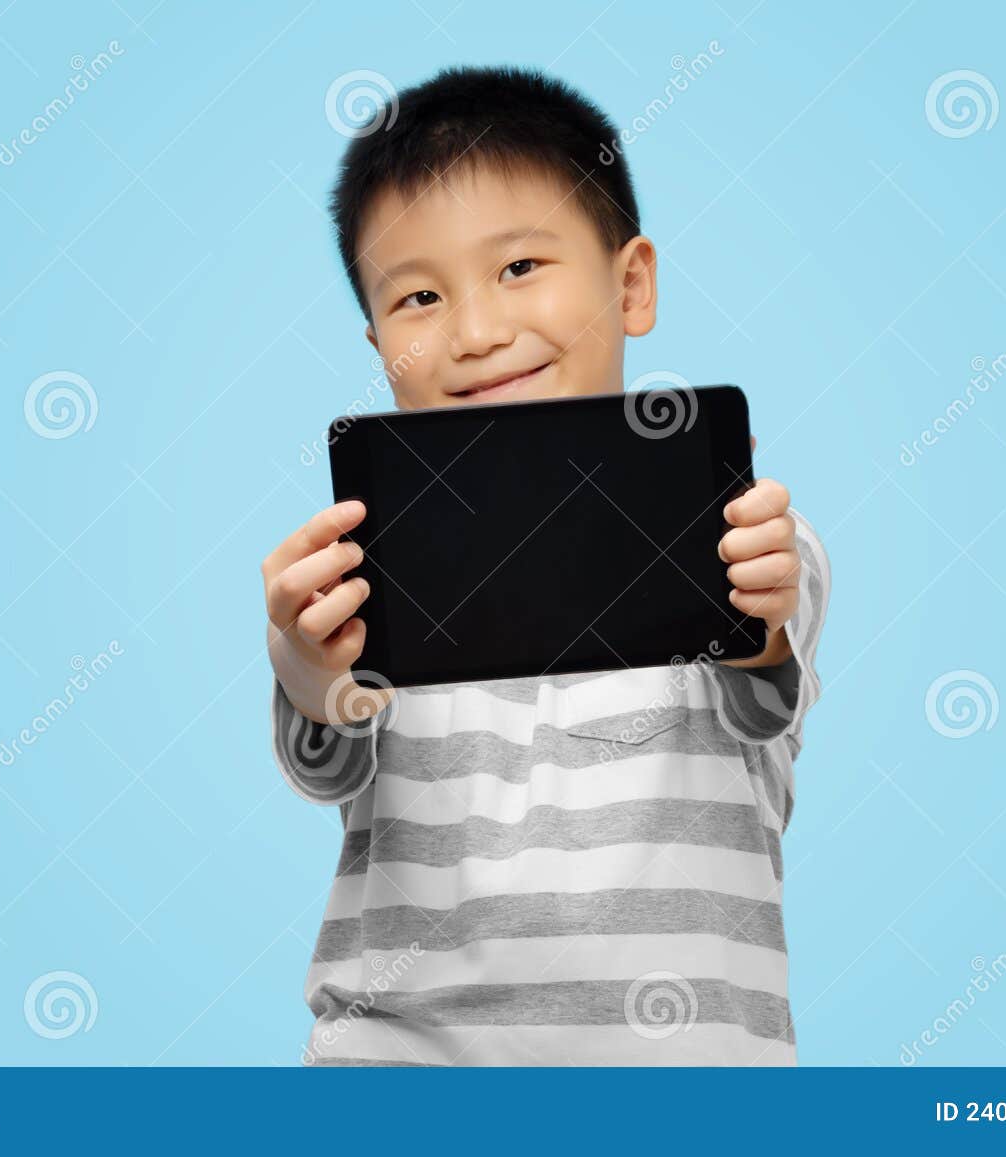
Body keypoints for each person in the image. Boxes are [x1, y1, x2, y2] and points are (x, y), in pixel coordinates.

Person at [261, 64, 829, 1065]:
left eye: (520, 266)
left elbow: (763, 696)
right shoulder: (360, 565)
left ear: (630, 282)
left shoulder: (740, 528)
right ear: (379, 342)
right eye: (421, 295)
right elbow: (329, 761)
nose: (477, 333)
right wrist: (309, 677)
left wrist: (764, 614)